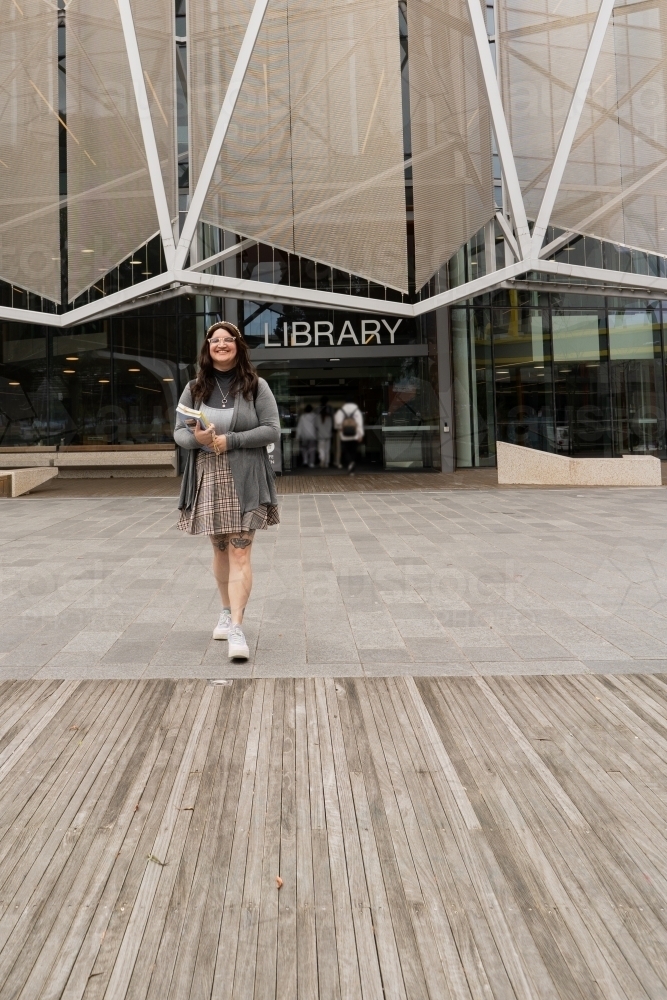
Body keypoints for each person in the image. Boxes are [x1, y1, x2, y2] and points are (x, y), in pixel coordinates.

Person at [174, 321, 280, 661]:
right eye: (214, 340)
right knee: (220, 550)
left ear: (238, 345)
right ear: (207, 349)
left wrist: (229, 440)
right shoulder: (194, 388)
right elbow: (178, 432)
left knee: (239, 552)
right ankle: (224, 609)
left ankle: (237, 626)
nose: (221, 344)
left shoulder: (255, 385)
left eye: (227, 339)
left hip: (246, 475)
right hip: (207, 474)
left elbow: (272, 430)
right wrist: (198, 440)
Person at [334, 395, 364, 472]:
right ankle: (352, 462)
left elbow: (337, 421)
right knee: (353, 450)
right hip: (355, 434)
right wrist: (360, 434)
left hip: (344, 435)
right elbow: (359, 423)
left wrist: (340, 427)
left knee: (346, 450)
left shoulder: (341, 410)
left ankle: (350, 462)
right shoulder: (356, 410)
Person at [296, 403, 317, 467]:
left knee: (304, 449)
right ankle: (311, 463)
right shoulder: (315, 416)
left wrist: (297, 436)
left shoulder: (302, 417)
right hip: (313, 435)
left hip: (304, 435)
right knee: (312, 449)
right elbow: (317, 426)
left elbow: (299, 427)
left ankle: (305, 461)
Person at [317, 397, 333, 468]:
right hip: (327, 436)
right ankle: (327, 462)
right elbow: (330, 427)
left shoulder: (318, 417)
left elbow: (316, 426)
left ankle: (322, 461)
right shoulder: (329, 418)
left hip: (320, 435)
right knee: (327, 450)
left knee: (321, 450)